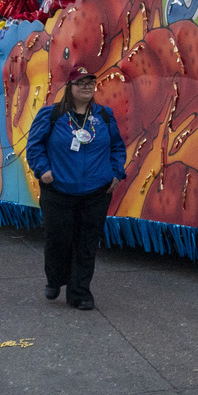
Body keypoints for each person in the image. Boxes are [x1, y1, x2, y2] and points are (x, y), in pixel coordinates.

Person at [25, 67, 126, 311]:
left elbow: (117, 147)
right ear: (69, 87)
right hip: (58, 190)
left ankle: (80, 292)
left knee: (87, 243)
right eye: (81, 83)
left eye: (91, 82)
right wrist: (43, 170)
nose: (87, 87)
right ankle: (55, 279)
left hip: (96, 192)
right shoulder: (52, 115)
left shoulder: (104, 116)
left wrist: (116, 172)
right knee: (58, 240)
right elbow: (35, 146)